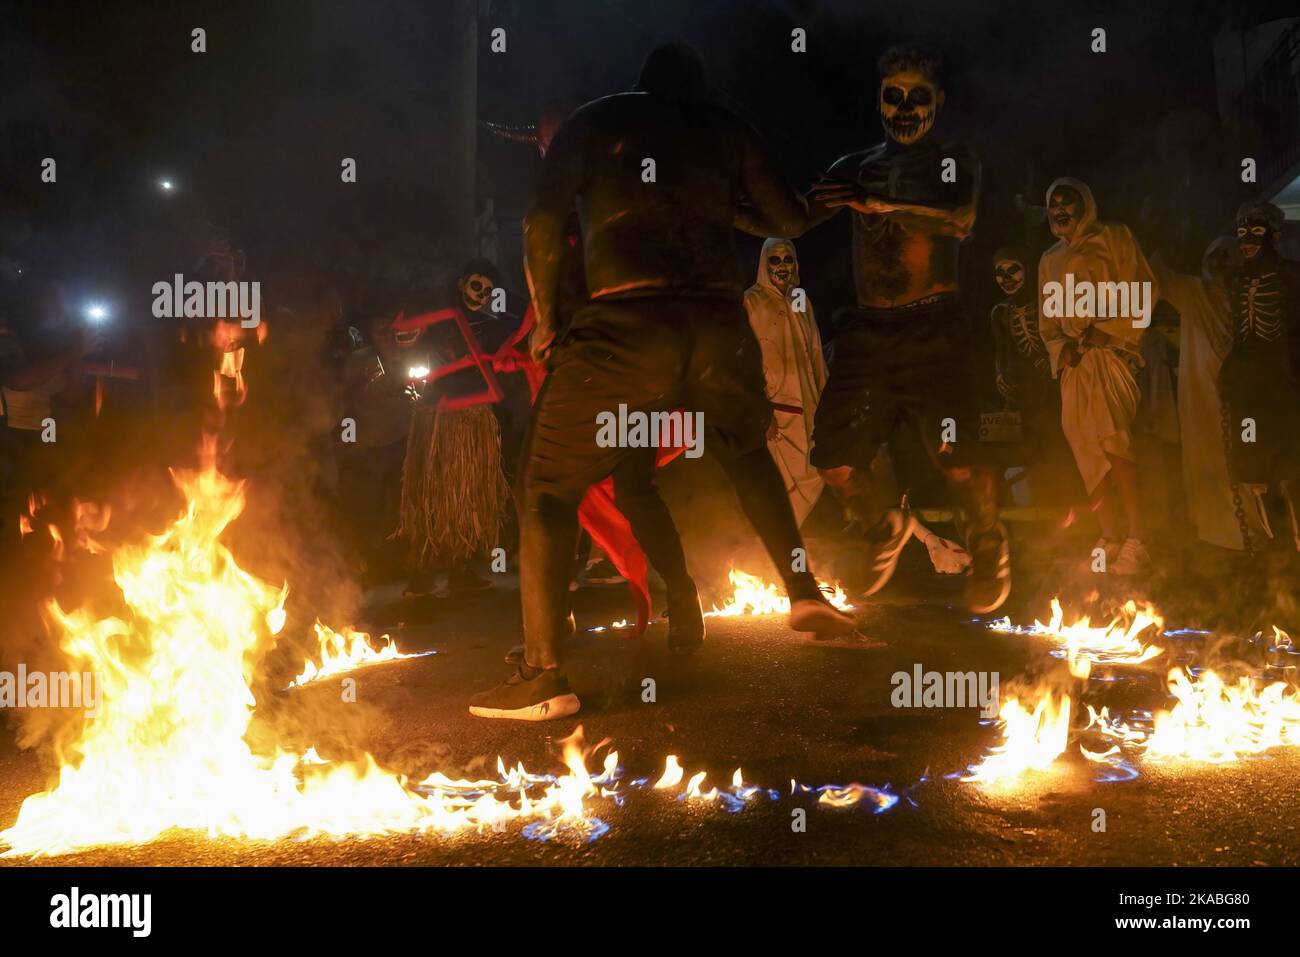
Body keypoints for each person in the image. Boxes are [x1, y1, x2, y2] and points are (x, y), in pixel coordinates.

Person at [469, 41, 855, 721]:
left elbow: (541, 220)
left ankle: (543, 673)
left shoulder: (594, 123)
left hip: (624, 333)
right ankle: (801, 589)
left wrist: (546, 322)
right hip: (715, 328)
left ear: (639, 84)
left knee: (547, 487)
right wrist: (834, 195)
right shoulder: (725, 126)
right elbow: (789, 219)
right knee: (742, 450)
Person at [805, 43, 1009, 611]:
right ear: (878, 101)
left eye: (917, 96)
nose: (904, 108)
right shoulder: (853, 167)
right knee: (832, 461)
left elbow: (960, 220)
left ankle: (987, 541)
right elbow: (796, 215)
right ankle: (883, 527)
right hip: (868, 334)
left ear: (938, 101)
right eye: (893, 96)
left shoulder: (953, 160)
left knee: (957, 457)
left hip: (933, 329)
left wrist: (876, 205)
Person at [1037, 177, 1158, 575]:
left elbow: (1144, 288)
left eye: (1068, 201)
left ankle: (1138, 539)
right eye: (1054, 203)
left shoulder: (1115, 237)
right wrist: (1062, 348)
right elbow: (1047, 321)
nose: (1060, 209)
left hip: (1111, 356)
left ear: (1086, 204)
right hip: (1075, 367)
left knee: (1115, 445)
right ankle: (1109, 536)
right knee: (1086, 451)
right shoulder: (1049, 259)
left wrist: (1109, 332)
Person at [393, 258, 512, 598]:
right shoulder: (437, 320)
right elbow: (404, 341)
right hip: (437, 416)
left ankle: (461, 567)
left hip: (474, 418)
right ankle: (419, 572)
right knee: (429, 492)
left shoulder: (490, 326)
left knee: (467, 493)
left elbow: (504, 357)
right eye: (476, 286)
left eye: (487, 291)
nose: (481, 295)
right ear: (461, 284)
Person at [1153, 237, 1261, 550]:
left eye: (1226, 259)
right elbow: (1158, 274)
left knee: (1247, 463)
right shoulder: (1193, 292)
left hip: (1243, 405)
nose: (1219, 266)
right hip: (1203, 404)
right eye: (1214, 258)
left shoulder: (1251, 298)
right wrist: (1152, 227)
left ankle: (1253, 532)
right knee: (1207, 463)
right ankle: (1216, 533)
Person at [1217, 202, 1300, 551]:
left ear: (1274, 235)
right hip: (1248, 385)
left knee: (1291, 461)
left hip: (1284, 382)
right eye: (1242, 233)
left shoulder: (1292, 276)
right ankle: (1276, 549)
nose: (1247, 241)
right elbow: (1241, 333)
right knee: (1254, 465)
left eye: (1256, 232)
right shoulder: (1236, 280)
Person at [744, 238, 827, 527]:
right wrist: (759, 408)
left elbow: (814, 349)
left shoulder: (800, 299)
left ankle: (793, 538)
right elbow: (744, 358)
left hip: (808, 404)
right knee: (778, 480)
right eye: (775, 260)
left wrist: (826, 398)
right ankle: (773, 543)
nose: (782, 266)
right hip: (774, 409)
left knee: (812, 472)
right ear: (764, 264)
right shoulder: (751, 301)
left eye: (787, 259)